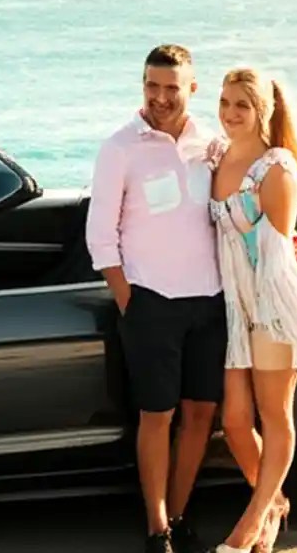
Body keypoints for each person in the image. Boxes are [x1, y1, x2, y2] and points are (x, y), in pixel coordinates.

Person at [86, 44, 227, 553]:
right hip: (152, 304)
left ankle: (182, 512)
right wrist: (130, 302)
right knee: (157, 416)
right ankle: (157, 527)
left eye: (172, 87)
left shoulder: (211, 144)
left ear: (192, 88)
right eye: (152, 85)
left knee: (200, 415)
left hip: (210, 304)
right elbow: (100, 235)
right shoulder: (120, 147)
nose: (160, 97)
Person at [205, 67, 297, 553]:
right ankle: (272, 501)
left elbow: (278, 249)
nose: (231, 114)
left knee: (274, 416)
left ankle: (248, 529)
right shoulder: (216, 156)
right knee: (234, 421)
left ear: (262, 113)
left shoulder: (276, 169)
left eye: (242, 106)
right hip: (238, 308)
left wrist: (268, 315)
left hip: (273, 305)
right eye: (226, 102)